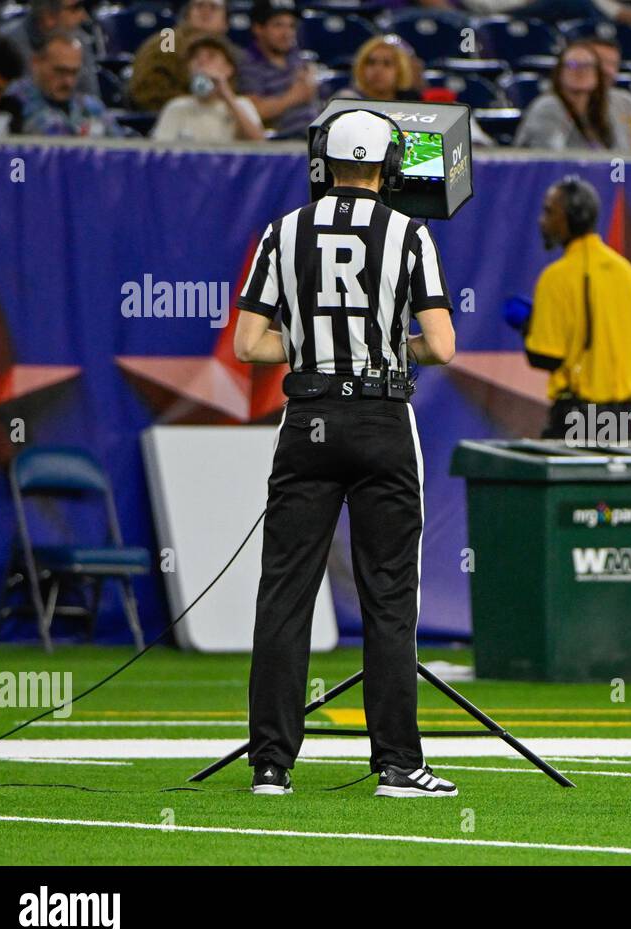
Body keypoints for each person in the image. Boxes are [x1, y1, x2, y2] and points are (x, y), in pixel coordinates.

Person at [233, 109, 459, 798]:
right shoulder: (406, 233)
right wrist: (392, 349)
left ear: (323, 164)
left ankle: (271, 763)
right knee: (389, 595)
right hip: (381, 418)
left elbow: (249, 344)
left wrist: (311, 350)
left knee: (285, 591)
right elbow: (443, 346)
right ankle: (396, 762)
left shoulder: (283, 230)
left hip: (309, 420)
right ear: (387, 168)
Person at [523, 177, 631, 438]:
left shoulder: (556, 277)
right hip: (626, 421)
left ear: (570, 218)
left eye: (549, 212)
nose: (542, 221)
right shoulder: (627, 272)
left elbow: (543, 356)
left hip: (577, 420)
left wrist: (527, 327)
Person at [514, 41, 631, 150]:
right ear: (560, 73)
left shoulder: (602, 109)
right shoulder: (548, 107)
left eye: (587, 65)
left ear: (597, 74)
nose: (580, 71)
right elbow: (549, 155)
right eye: (572, 65)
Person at [15, 31, 127, 137]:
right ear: (36, 63)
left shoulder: (91, 107)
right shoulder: (14, 104)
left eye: (74, 72)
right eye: (60, 71)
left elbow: (120, 147)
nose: (68, 81)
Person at [152, 35, 263, 142]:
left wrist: (227, 96)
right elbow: (161, 151)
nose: (202, 61)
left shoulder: (242, 105)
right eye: (195, 57)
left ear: (228, 68)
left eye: (211, 56)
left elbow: (258, 143)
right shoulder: (177, 106)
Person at [237, 0, 319, 140]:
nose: (287, 33)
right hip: (283, 143)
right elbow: (254, 111)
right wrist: (293, 97)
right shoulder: (248, 64)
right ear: (258, 28)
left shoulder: (297, 58)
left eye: (291, 26)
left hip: (316, 138)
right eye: (278, 25)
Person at [129, 0, 230, 112]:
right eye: (199, 5)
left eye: (213, 7)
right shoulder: (167, 42)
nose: (205, 11)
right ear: (187, 14)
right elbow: (148, 91)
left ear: (225, 22)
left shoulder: (232, 52)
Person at [0, 0, 98, 100]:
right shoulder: (7, 44)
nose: (84, 16)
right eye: (75, 8)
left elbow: (91, 97)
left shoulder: (79, 41)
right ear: (49, 16)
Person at [334, 34, 424, 102]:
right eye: (371, 62)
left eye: (387, 63)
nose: (378, 69)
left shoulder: (411, 101)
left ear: (400, 71)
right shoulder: (347, 101)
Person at [588, 36, 631, 132]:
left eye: (613, 64)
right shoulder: (557, 101)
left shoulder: (626, 102)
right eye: (600, 62)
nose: (608, 70)